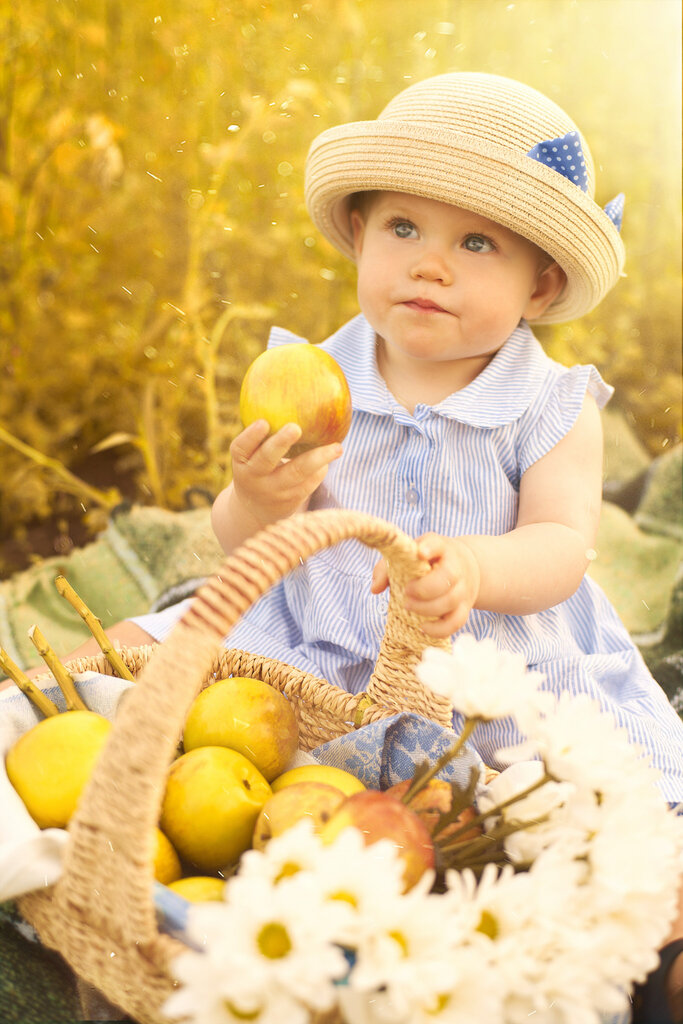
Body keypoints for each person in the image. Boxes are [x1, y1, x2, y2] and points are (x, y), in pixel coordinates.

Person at [5, 73, 682, 1020]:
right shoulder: (310, 374)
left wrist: (482, 567)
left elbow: (564, 545)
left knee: (575, 807)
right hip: (310, 627)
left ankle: (655, 946)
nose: (429, 265)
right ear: (360, 237)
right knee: (143, 648)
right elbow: (240, 538)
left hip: (485, 655)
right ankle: (16, 716)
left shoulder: (548, 406)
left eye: (475, 242)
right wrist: (256, 493)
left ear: (541, 284)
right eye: (403, 229)